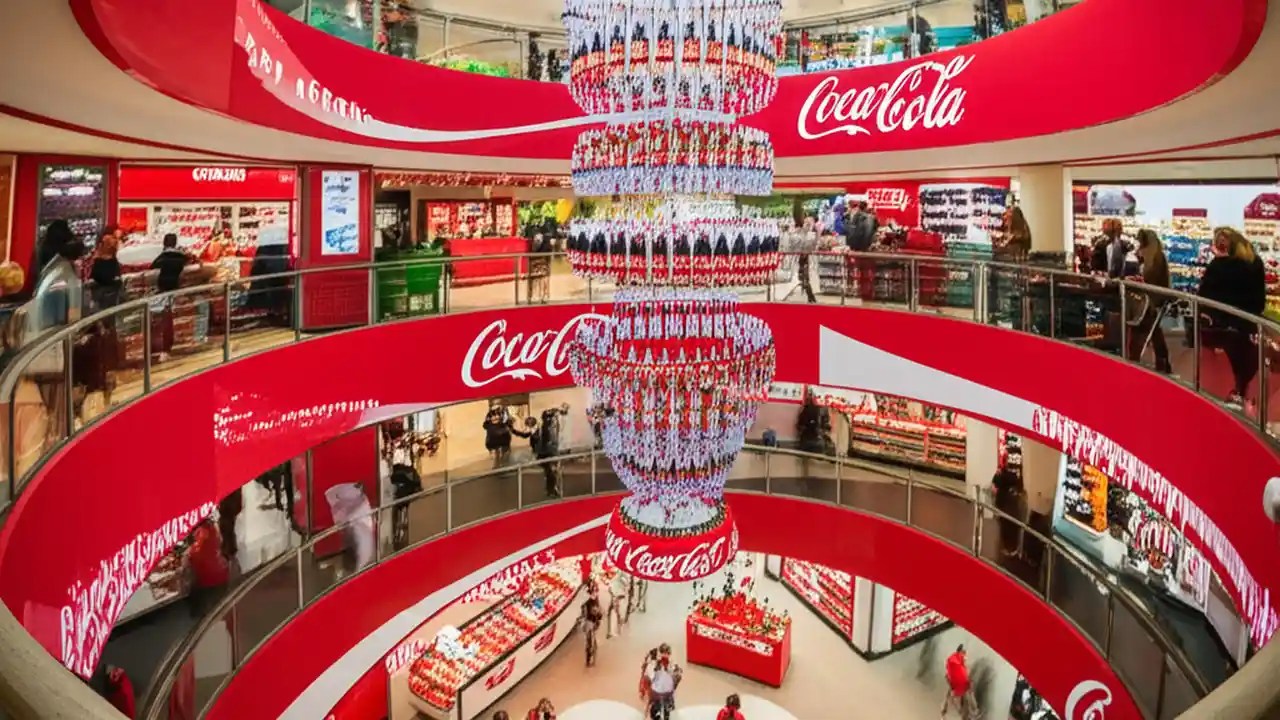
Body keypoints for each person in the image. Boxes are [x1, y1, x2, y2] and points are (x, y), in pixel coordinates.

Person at [1199, 227, 1267, 406]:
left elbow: (1205, 292)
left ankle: (1237, 395)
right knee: (1246, 361)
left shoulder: (1222, 265)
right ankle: (1240, 392)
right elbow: (1259, 298)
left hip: (1225, 322)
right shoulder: (1255, 262)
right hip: (1248, 321)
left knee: (1236, 360)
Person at [1133, 228, 1172, 373]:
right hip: (1151, 299)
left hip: (1153, 300)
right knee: (1154, 331)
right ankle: (1163, 362)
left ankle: (1136, 359)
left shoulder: (1155, 258)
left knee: (1147, 330)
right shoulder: (1154, 255)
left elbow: (1153, 280)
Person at [511, 404, 569, 497]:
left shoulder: (545, 427)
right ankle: (552, 488)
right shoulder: (539, 429)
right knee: (550, 471)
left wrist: (557, 411)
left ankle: (551, 489)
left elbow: (550, 420)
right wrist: (512, 430)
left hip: (550, 452)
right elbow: (524, 435)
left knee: (551, 472)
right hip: (543, 453)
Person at [186, 518, 230, 618]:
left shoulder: (202, 533)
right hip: (221, 572)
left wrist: (189, 554)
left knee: (197, 594)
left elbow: (196, 557)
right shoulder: (213, 526)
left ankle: (199, 617)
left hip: (209, 577)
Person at [991, 468, 1024, 557]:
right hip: (1013, 515)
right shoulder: (1014, 492)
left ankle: (1008, 548)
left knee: (1006, 529)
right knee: (1011, 531)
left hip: (1006, 513)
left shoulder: (1002, 491)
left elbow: (995, 491)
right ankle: (1013, 549)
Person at [88, 229, 124, 310]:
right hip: (110, 293)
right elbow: (117, 276)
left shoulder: (97, 261)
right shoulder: (113, 262)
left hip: (99, 294)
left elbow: (93, 276)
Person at [942, 644, 979, 719]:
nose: (965, 656)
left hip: (959, 688)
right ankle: (972, 712)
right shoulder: (956, 663)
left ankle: (972, 712)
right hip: (958, 688)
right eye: (963, 653)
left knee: (964, 698)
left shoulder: (959, 664)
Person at [647, 646, 682, 720]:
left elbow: (677, 674)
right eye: (663, 653)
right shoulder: (656, 663)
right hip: (657, 689)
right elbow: (650, 674)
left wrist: (675, 674)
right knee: (656, 708)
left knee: (666, 709)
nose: (665, 655)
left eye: (667, 653)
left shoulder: (672, 663)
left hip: (667, 690)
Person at [791, 216, 818, 303]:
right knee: (802, 277)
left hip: (809, 259)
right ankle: (810, 296)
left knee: (807, 278)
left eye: (808, 223)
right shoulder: (801, 232)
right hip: (802, 258)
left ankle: (811, 296)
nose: (806, 224)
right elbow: (795, 243)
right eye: (805, 222)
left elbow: (811, 244)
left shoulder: (812, 232)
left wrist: (808, 231)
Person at [579, 586, 603, 667]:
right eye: (594, 592)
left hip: (592, 622)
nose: (596, 594)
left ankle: (590, 658)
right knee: (589, 642)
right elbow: (588, 613)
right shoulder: (588, 603)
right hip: (589, 623)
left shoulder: (594, 601)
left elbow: (598, 612)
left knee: (591, 641)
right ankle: (588, 660)